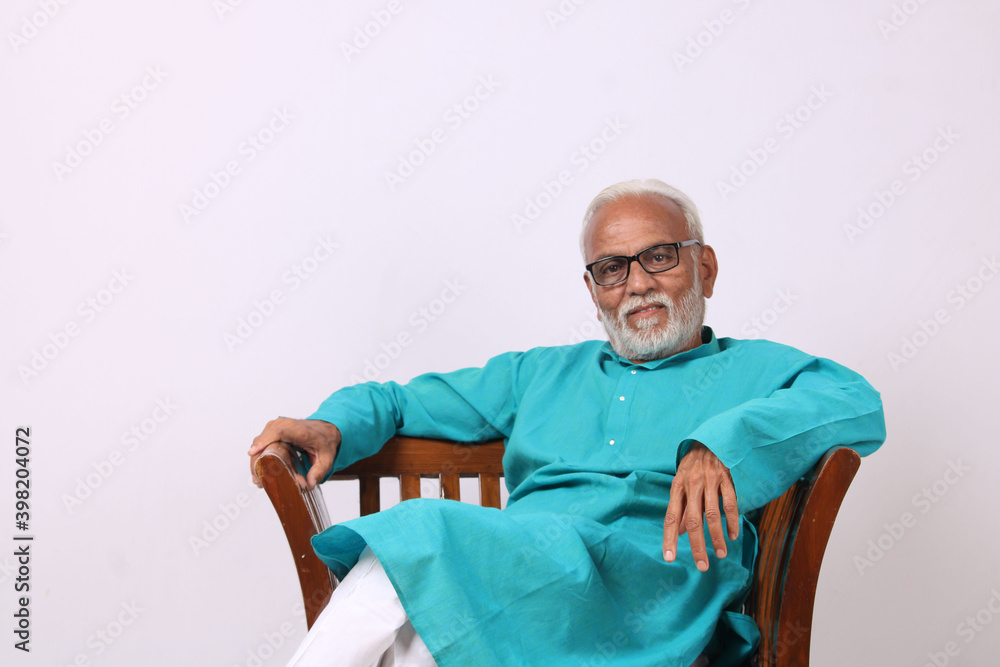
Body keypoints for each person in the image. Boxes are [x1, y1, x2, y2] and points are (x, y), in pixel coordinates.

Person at [248, 179, 886, 666]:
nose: (636, 283)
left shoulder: (756, 368)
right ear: (593, 289)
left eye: (659, 257)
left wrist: (723, 444)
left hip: (656, 597)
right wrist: (332, 427)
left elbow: (857, 403)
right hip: (528, 585)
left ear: (706, 268)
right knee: (416, 619)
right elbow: (399, 403)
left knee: (414, 537)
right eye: (612, 268)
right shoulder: (541, 373)